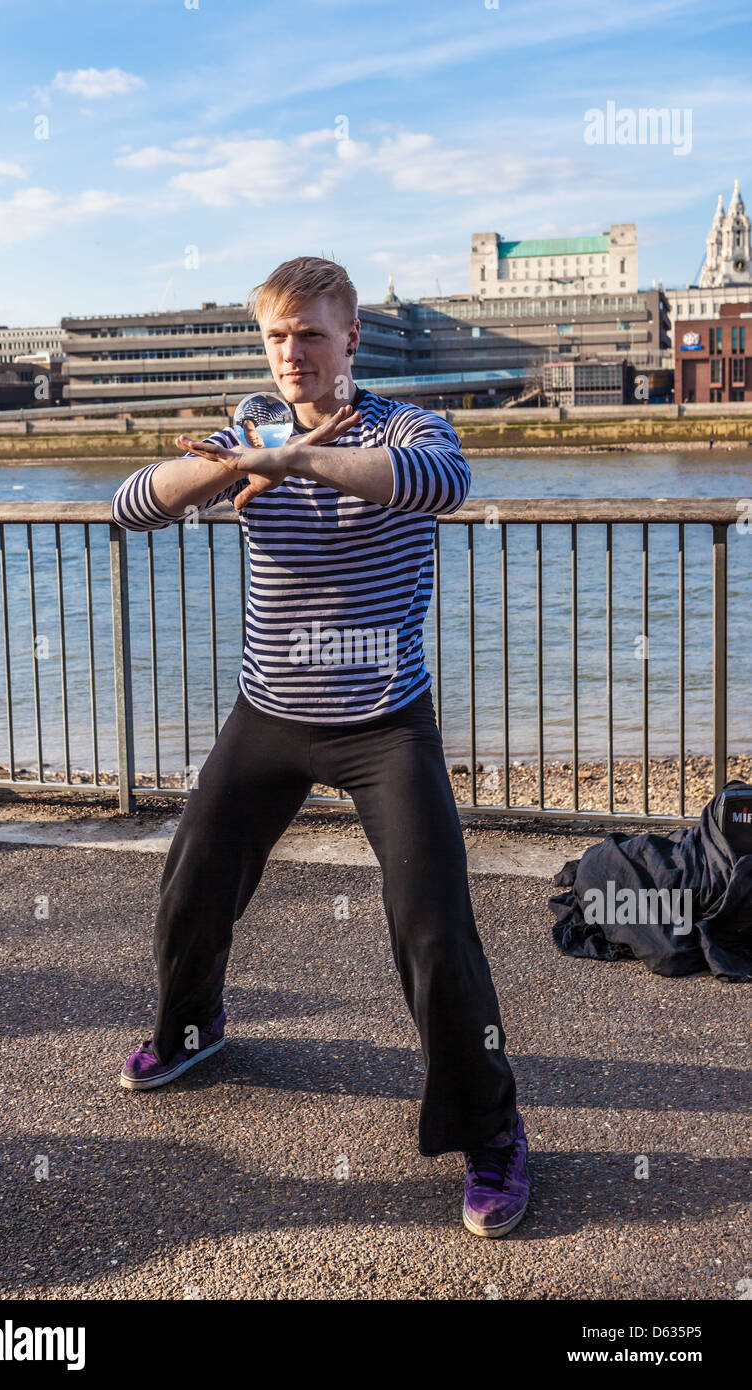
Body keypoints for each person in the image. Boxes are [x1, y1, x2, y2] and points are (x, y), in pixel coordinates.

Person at [110, 256, 530, 1237]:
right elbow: (131, 503)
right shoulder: (249, 429)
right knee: (192, 885)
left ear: (350, 341)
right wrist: (229, 466)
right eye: (275, 335)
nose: (292, 351)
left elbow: (443, 483)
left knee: (433, 926)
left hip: (385, 720)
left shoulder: (402, 427)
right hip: (269, 715)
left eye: (310, 333)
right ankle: (190, 1027)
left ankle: (492, 1134)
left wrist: (299, 463)